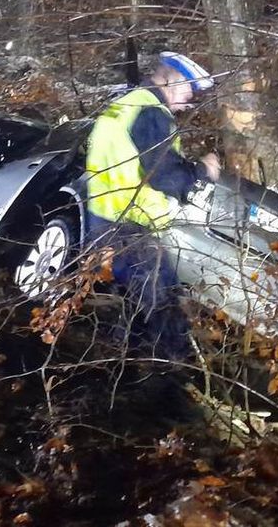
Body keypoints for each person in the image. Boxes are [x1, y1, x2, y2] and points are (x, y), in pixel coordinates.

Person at [85, 51, 221, 361]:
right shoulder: (151, 113)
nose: (190, 101)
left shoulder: (128, 103)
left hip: (104, 213)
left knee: (130, 301)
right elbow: (164, 174)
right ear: (172, 78)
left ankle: (122, 364)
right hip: (129, 223)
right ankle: (174, 374)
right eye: (189, 90)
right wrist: (202, 171)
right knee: (164, 300)